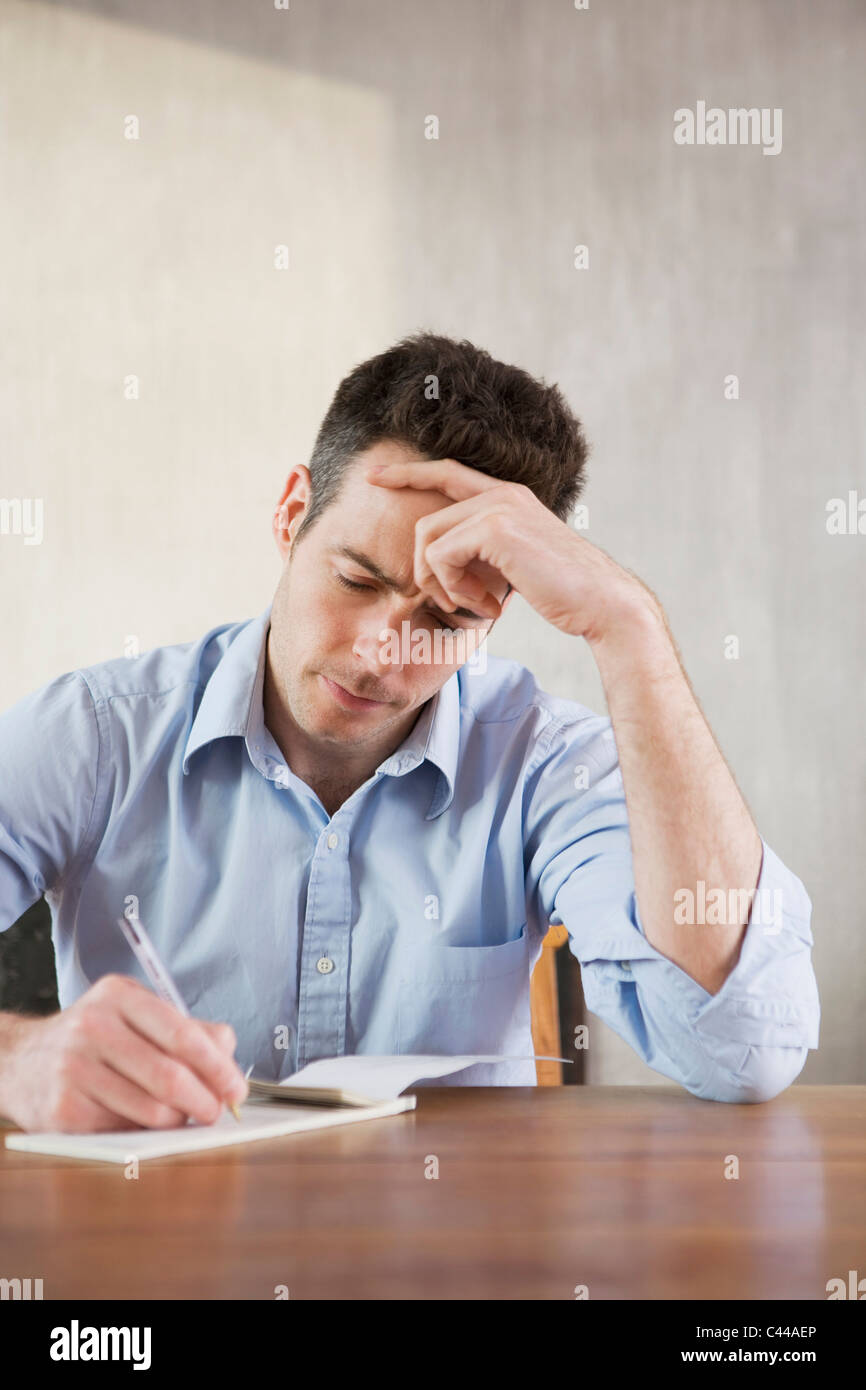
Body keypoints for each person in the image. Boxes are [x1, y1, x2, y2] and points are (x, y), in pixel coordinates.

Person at [0, 331, 819, 1133]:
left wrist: (628, 626)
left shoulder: (545, 765)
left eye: (448, 617)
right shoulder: (96, 736)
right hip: (155, 1245)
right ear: (292, 515)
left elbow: (741, 1052)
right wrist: (16, 1059)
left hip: (448, 1259)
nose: (379, 654)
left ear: (499, 609)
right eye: (358, 579)